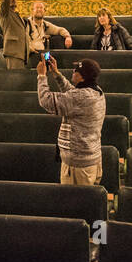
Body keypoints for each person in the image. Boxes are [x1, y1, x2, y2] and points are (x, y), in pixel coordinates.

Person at [36, 55, 106, 185]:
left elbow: (46, 101)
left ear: (82, 77)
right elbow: (72, 93)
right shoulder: (96, 91)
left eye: (76, 71)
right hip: (91, 159)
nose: (73, 72)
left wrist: (41, 76)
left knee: (73, 203)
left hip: (77, 166)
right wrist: (56, 74)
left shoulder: (79, 97)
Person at [0, 0, 71, 69]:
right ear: (32, 11)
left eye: (41, 8)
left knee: (49, 61)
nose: (39, 10)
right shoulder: (10, 15)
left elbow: (59, 30)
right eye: (37, 8)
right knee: (17, 77)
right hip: (21, 53)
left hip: (38, 53)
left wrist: (67, 36)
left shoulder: (45, 24)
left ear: (45, 11)